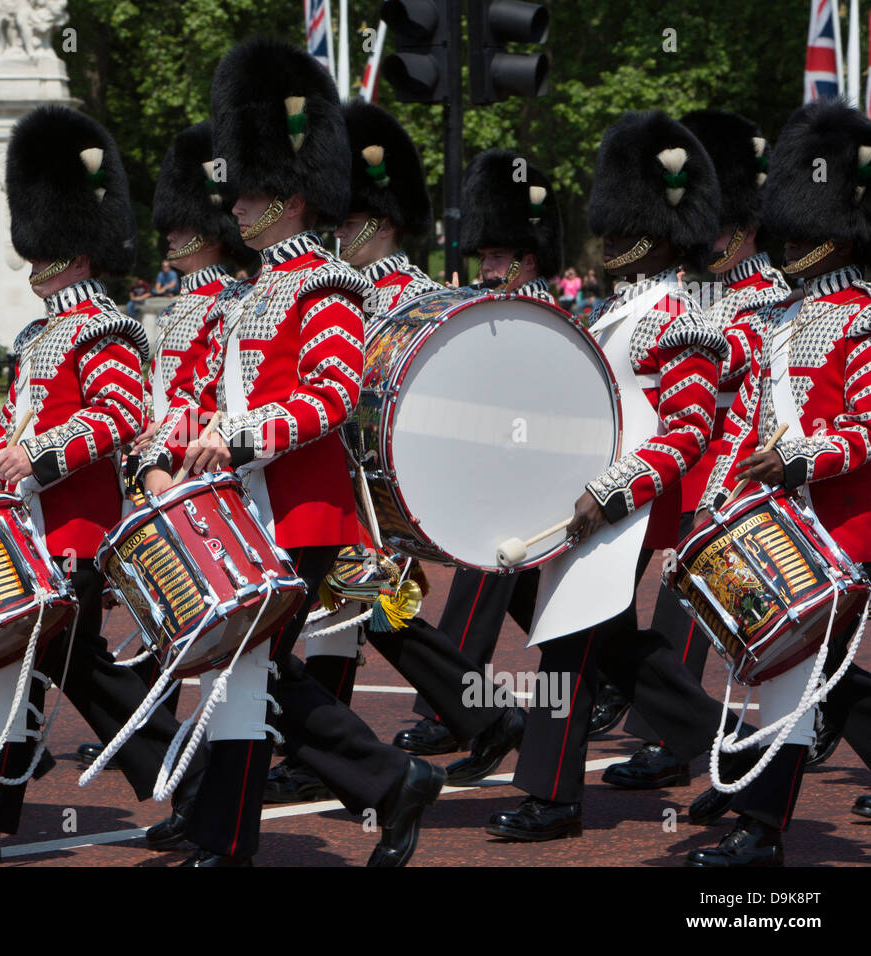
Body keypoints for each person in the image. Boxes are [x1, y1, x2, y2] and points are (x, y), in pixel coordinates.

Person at [138, 37, 441, 867]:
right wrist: (166, 449)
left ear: (288, 197)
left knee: (246, 662)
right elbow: (206, 391)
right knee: (245, 666)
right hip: (245, 505)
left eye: (250, 192)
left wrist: (236, 438)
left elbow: (332, 394)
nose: (232, 206)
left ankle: (333, 796)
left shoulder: (327, 283)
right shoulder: (254, 291)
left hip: (302, 508)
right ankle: (360, 789)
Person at [0, 104, 202, 866]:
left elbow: (118, 416)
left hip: (75, 527)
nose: (32, 258)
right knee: (73, 672)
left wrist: (34, 459)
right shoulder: (40, 334)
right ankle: (195, 781)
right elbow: (15, 423)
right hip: (26, 527)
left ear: (74, 247)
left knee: (41, 667)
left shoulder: (105, 324)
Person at [485, 111, 747, 842]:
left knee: (568, 642)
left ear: (656, 230)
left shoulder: (683, 316)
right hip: (587, 505)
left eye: (620, 224)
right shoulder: (616, 311)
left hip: (621, 506)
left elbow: (689, 431)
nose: (604, 240)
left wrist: (615, 490)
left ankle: (553, 798)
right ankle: (734, 745)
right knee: (603, 642)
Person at [683, 100, 871, 866]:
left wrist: (803, 460)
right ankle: (747, 796)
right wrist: (712, 504)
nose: (789, 240)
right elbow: (741, 427)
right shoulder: (783, 319)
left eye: (804, 227)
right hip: (777, 518)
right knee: (785, 661)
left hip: (844, 519)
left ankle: (761, 829)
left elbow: (865, 429)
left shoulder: (862, 318)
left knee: (790, 670)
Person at [361, 147, 565, 789]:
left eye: (497, 256)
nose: (486, 266)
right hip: (472, 470)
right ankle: (475, 713)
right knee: (528, 600)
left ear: (526, 258)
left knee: (452, 597)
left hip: (520, 481)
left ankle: (470, 714)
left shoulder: (544, 317)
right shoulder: (482, 309)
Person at [601, 109, 792, 791]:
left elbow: (741, 357)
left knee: (724, 612)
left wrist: (690, 345)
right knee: (675, 606)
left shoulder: (768, 293)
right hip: (684, 460)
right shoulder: (693, 287)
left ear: (741, 228)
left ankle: (691, 739)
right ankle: (675, 728)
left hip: (737, 467)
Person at [74, 119, 254, 774]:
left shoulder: (228, 301)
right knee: (166, 616)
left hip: (196, 475)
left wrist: (159, 451)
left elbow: (206, 397)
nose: (170, 236)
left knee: (200, 626)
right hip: (163, 468)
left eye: (183, 227)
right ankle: (162, 742)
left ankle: (195, 758)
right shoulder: (182, 299)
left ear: (210, 232)